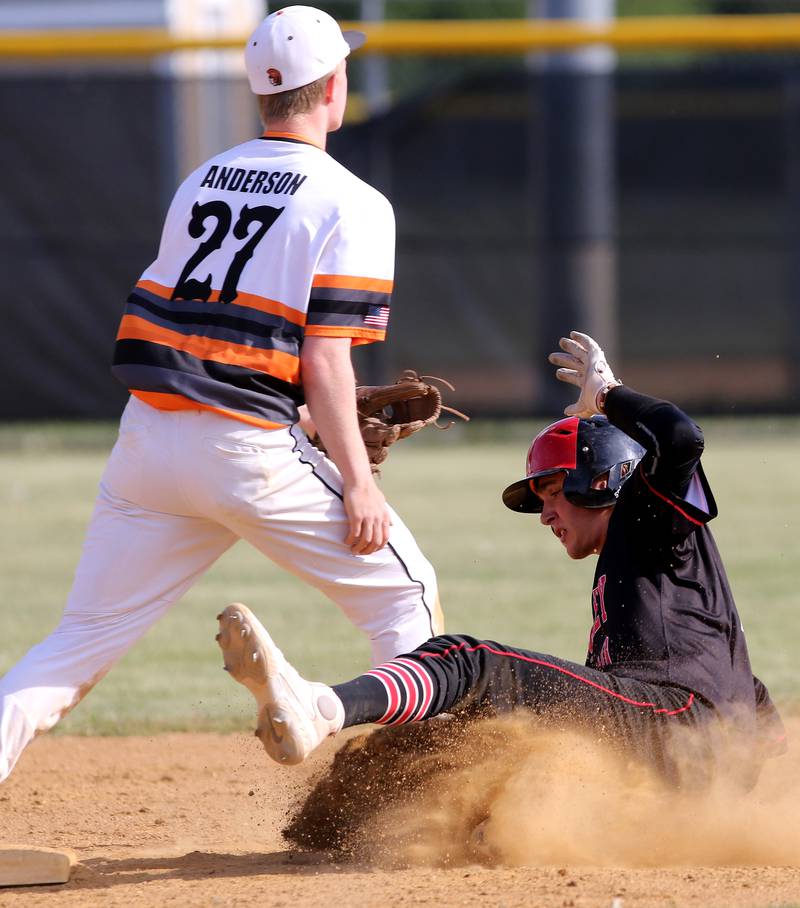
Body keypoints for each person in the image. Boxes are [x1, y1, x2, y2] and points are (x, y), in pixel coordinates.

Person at [0, 6, 442, 784]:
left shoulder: (203, 178)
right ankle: (406, 788)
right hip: (248, 451)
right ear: (335, 86)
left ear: (262, 92)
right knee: (407, 600)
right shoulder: (355, 202)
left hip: (147, 446)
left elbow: (216, 343)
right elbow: (325, 359)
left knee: (73, 645)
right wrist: (359, 481)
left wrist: (303, 415)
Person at [217, 331, 785, 786]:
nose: (545, 515)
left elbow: (681, 438)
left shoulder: (646, 512)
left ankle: (322, 707)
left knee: (468, 662)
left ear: (602, 477)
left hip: (668, 722)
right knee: (498, 734)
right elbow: (751, 695)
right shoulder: (663, 573)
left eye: (553, 491)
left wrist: (608, 396)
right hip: (692, 756)